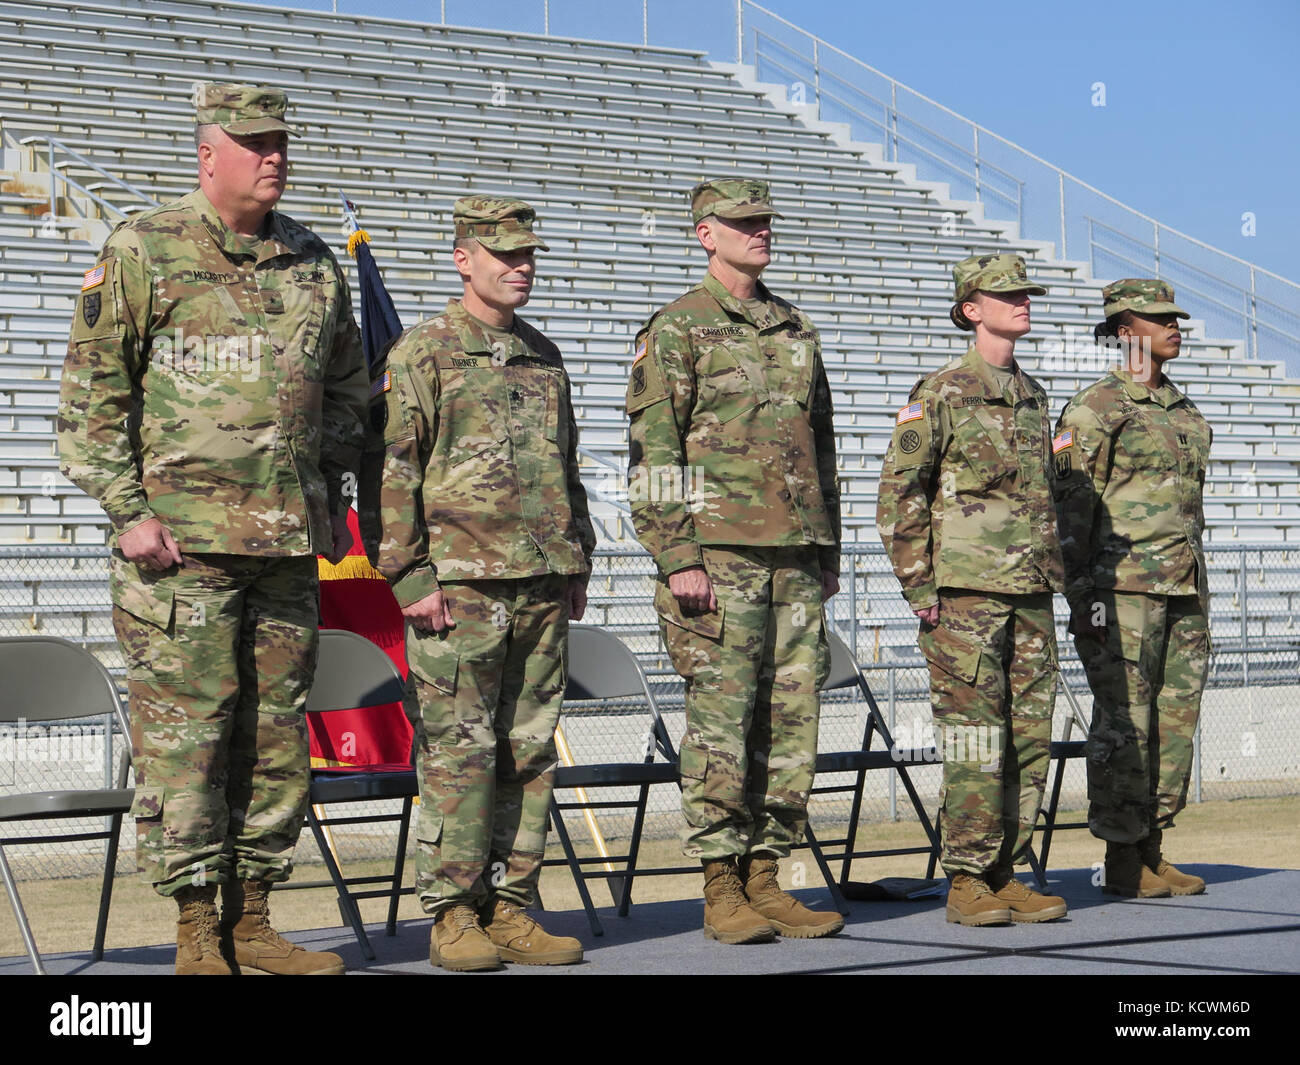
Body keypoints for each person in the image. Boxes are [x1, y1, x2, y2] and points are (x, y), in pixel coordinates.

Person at [58, 83, 367, 974]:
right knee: (190, 741)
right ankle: (196, 926)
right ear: (208, 153)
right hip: (179, 552)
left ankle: (254, 917)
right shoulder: (144, 249)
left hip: (286, 547)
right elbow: (90, 400)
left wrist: (323, 481)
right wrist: (130, 511)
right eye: (255, 141)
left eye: (281, 141)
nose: (275, 155)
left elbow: (347, 384)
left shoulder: (312, 260)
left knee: (276, 739)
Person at [360, 196, 595, 971]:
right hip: (456, 588)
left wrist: (578, 560)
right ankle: (454, 912)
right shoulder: (421, 353)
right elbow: (390, 471)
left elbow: (567, 469)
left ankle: (513, 905)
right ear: (464, 258)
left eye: (528, 256)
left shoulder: (544, 355)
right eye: (505, 256)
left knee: (528, 754)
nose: (520, 268)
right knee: (460, 754)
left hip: (540, 581)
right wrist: (408, 573)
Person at [626, 178, 843, 944]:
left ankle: (766, 875)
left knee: (792, 723)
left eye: (765, 222)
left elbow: (821, 446)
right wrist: (677, 553)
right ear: (704, 234)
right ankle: (720, 885)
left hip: (794, 555)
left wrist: (828, 549)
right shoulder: (679, 327)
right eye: (743, 223)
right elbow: (654, 451)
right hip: (717, 559)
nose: (761, 232)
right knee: (721, 726)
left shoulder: (795, 327)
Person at [876, 252, 1067, 926]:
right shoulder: (942, 391)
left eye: (1026, 293)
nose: (1023, 302)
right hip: (964, 596)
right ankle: (965, 878)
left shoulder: (1035, 397)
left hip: (1031, 593)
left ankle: (1006, 870)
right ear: (971, 307)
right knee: (972, 739)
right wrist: (918, 584)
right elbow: (900, 493)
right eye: (1007, 294)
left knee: (1029, 739)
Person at [1054, 279, 1211, 899]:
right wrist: (1083, 600)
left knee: (1176, 724)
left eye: (1177, 316)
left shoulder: (1185, 411)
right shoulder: (1094, 409)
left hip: (1183, 588)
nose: (1175, 326)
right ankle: (1121, 856)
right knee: (1125, 723)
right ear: (1124, 331)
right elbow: (1070, 515)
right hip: (1120, 593)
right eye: (1159, 318)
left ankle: (1152, 847)